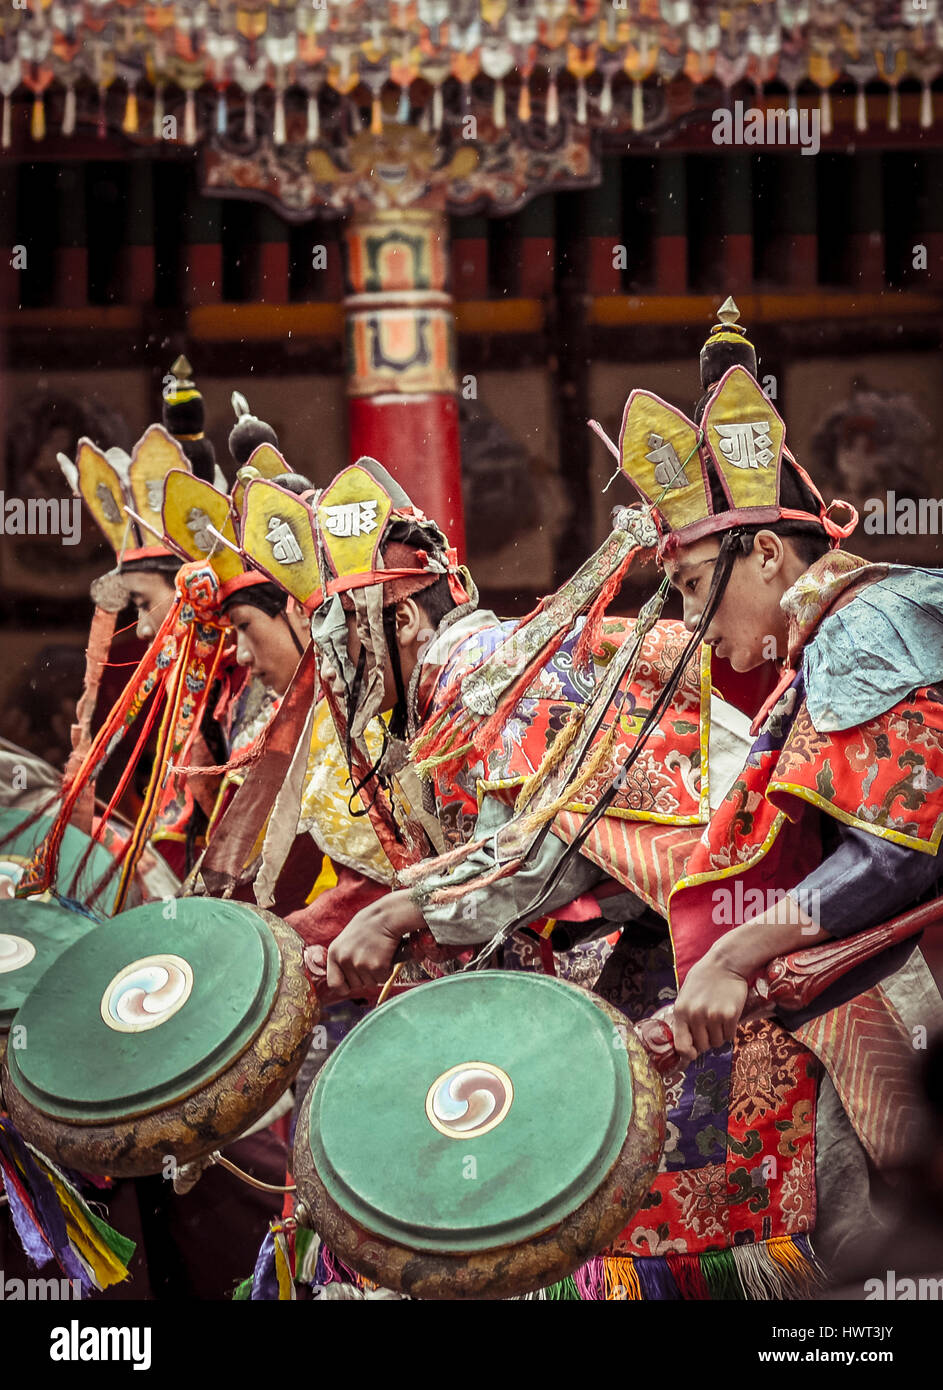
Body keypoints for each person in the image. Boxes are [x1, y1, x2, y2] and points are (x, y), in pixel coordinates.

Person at [318, 309, 943, 1296]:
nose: (690, 623)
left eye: (697, 588)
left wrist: (737, 947)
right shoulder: (805, 662)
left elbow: (904, 848)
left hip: (889, 1014)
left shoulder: (860, 623)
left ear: (771, 559)